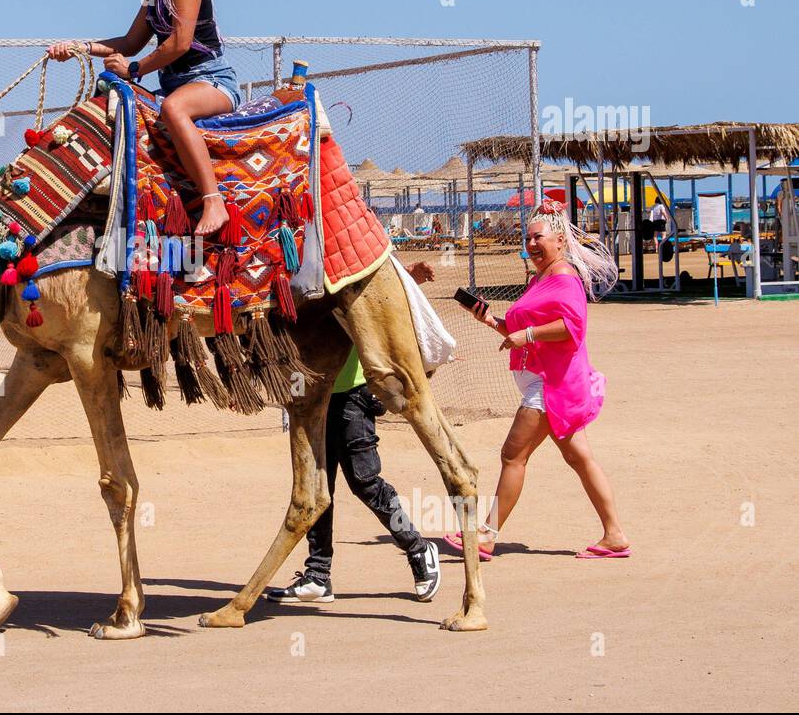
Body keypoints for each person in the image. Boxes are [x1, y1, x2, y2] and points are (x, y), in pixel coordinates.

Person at [48, 0, 242, 237]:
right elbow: (131, 40)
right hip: (173, 83)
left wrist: (133, 69)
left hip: (210, 80)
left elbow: (180, 43)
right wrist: (79, 48)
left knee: (174, 110)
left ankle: (214, 201)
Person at [446, 201, 631, 561]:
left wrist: (527, 335)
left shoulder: (564, 277)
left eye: (538, 237)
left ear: (560, 240)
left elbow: (572, 327)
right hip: (546, 381)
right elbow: (517, 329)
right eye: (527, 238)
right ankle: (615, 535)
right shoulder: (541, 278)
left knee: (512, 455)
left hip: (551, 386)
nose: (531, 244)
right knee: (580, 459)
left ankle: (485, 535)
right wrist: (487, 320)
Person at [268, 261, 443, 605]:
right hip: (313, 396)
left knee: (364, 481)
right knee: (316, 484)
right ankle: (318, 574)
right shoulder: (293, 271)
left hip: (351, 393)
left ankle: (418, 548)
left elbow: (367, 293)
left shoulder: (335, 266)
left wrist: (410, 274)